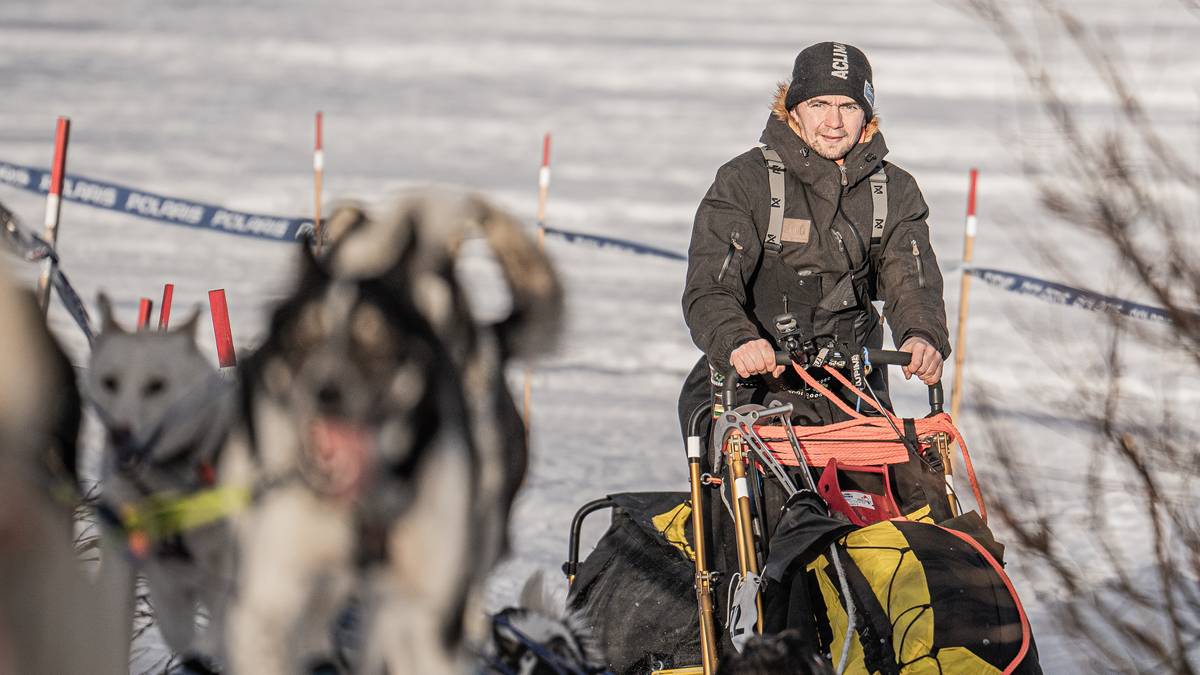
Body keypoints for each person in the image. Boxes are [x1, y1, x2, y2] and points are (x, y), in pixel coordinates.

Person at [679, 41, 950, 431]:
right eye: (819, 105)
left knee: (908, 484)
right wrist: (737, 341)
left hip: (854, 387)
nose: (834, 122)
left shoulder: (895, 190)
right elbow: (710, 289)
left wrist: (922, 336)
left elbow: (914, 283)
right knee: (776, 489)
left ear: (867, 115)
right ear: (794, 110)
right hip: (758, 383)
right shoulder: (745, 181)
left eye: (849, 106)